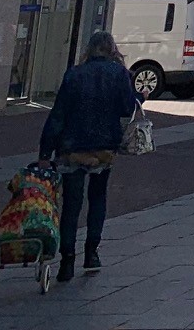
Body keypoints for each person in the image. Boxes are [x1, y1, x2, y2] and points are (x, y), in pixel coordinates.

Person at [38, 31, 137, 283]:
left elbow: (58, 114)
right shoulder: (119, 75)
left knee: (71, 204)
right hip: (104, 147)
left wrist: (44, 152)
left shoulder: (74, 74)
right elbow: (128, 108)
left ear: (89, 49)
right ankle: (92, 253)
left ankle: (67, 260)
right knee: (98, 197)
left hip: (72, 147)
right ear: (111, 48)